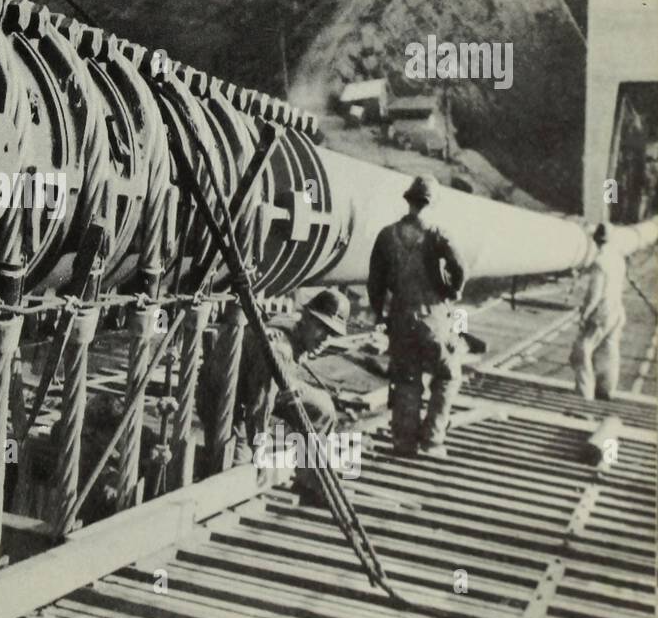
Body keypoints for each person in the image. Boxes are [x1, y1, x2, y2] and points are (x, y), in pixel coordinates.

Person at [198, 289, 347, 504]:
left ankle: (311, 481)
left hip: (255, 390)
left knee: (322, 407)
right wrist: (260, 453)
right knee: (239, 472)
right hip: (226, 404)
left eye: (332, 334)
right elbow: (259, 407)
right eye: (321, 328)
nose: (325, 339)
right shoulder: (278, 349)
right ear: (305, 318)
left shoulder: (292, 326)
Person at [367, 175, 467, 458]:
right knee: (449, 374)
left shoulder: (387, 235)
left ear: (408, 201)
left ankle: (404, 443)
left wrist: (380, 315)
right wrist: (453, 293)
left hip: (400, 320)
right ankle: (433, 439)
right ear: (431, 203)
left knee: (407, 379)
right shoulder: (438, 234)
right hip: (433, 320)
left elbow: (375, 283)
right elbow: (461, 268)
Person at [571, 223, 626, 400]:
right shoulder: (619, 259)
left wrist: (585, 314)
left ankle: (584, 393)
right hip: (617, 310)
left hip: (601, 313)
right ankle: (606, 390)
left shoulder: (599, 263)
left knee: (582, 350)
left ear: (596, 241)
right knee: (609, 351)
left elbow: (595, 295)